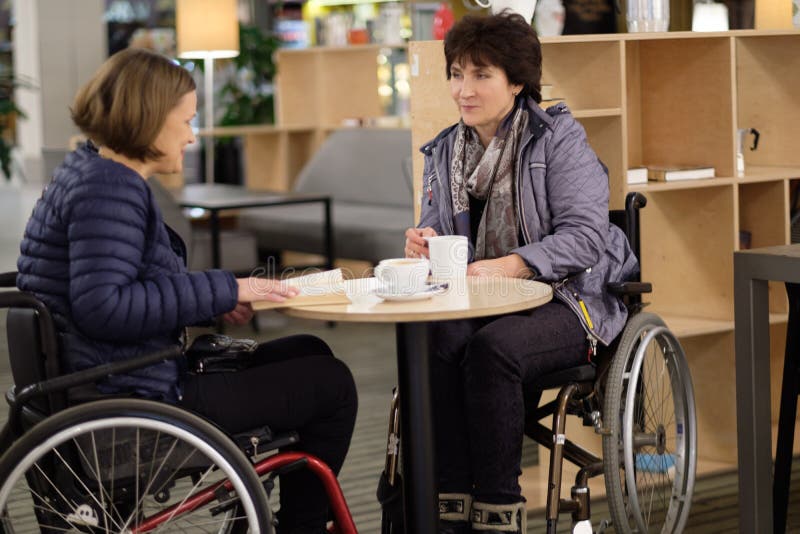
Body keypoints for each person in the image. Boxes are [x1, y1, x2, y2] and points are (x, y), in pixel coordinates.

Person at [16, 48, 357, 534]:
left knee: (310, 349)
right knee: (333, 385)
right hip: (133, 399)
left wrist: (223, 295)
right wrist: (223, 288)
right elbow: (104, 307)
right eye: (187, 121)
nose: (193, 136)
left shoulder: (91, 172)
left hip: (115, 377)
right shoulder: (109, 189)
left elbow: (124, 289)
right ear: (149, 119)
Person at [403, 12, 638, 534]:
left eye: (481, 75)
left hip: (569, 300)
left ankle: (496, 511)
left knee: (494, 350)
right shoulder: (445, 150)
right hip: (483, 301)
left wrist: (514, 263)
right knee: (434, 341)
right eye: (457, 73)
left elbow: (585, 237)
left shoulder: (557, 138)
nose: (464, 90)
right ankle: (448, 504)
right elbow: (437, 228)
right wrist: (424, 242)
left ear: (516, 82)